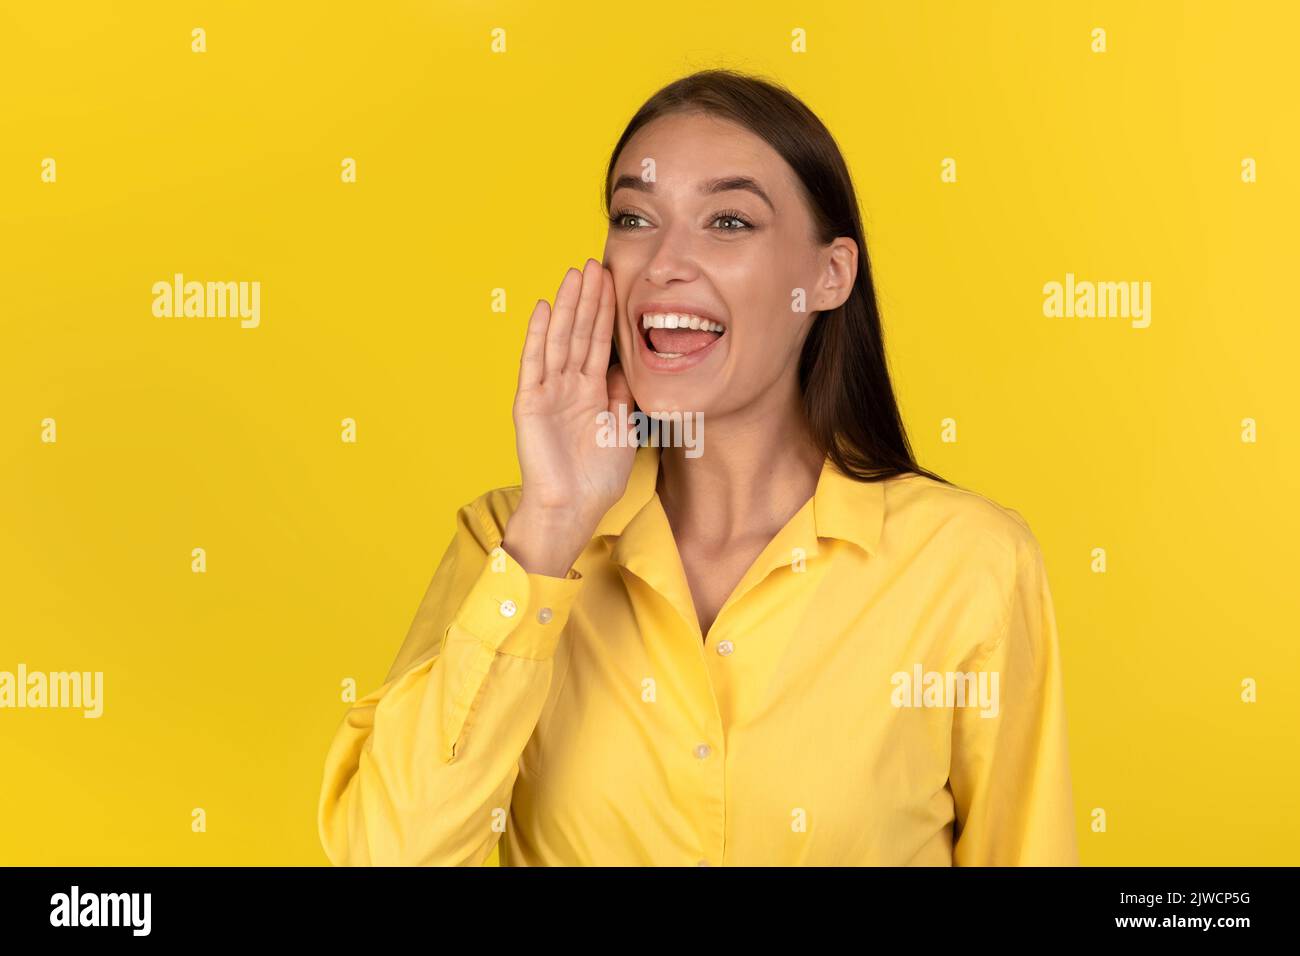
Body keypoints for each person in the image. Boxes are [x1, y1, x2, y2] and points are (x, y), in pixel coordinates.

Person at [317, 69, 1078, 866]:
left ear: (830, 275)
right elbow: (388, 856)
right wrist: (551, 529)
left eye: (727, 221)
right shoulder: (506, 546)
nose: (665, 263)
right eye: (634, 217)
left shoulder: (968, 566)